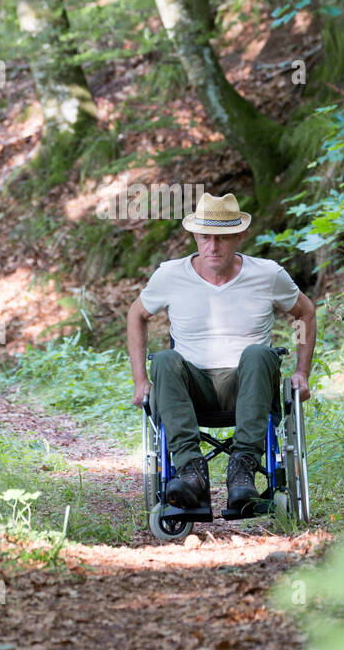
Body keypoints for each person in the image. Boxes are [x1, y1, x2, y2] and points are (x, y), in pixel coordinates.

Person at [127, 191, 316, 513]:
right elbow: (137, 315)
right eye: (204, 238)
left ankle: (243, 469)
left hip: (249, 386)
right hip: (192, 388)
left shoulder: (268, 274)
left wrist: (302, 371)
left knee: (258, 353)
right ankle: (190, 470)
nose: (213, 247)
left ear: (240, 236)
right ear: (195, 236)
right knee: (166, 359)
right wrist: (139, 379)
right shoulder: (171, 275)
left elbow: (304, 314)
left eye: (223, 238)